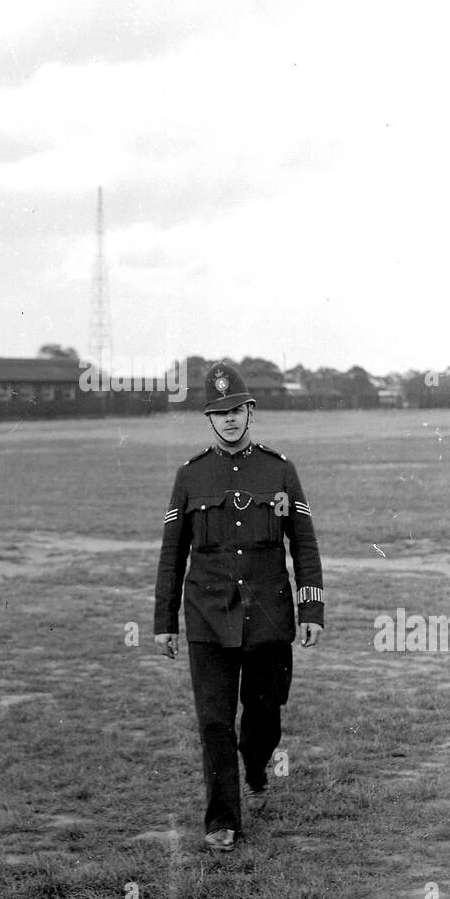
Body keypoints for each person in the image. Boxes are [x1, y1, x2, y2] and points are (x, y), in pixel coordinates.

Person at [154, 361, 324, 852]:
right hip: (208, 615)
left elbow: (305, 547)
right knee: (213, 721)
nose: (228, 419)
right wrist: (164, 622)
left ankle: (255, 762)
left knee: (265, 714)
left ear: (250, 410)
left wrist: (311, 610)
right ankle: (222, 820)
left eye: (236, 409)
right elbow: (173, 553)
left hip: (268, 615)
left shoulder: (279, 470)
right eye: (218, 412)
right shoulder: (190, 476)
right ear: (209, 419)